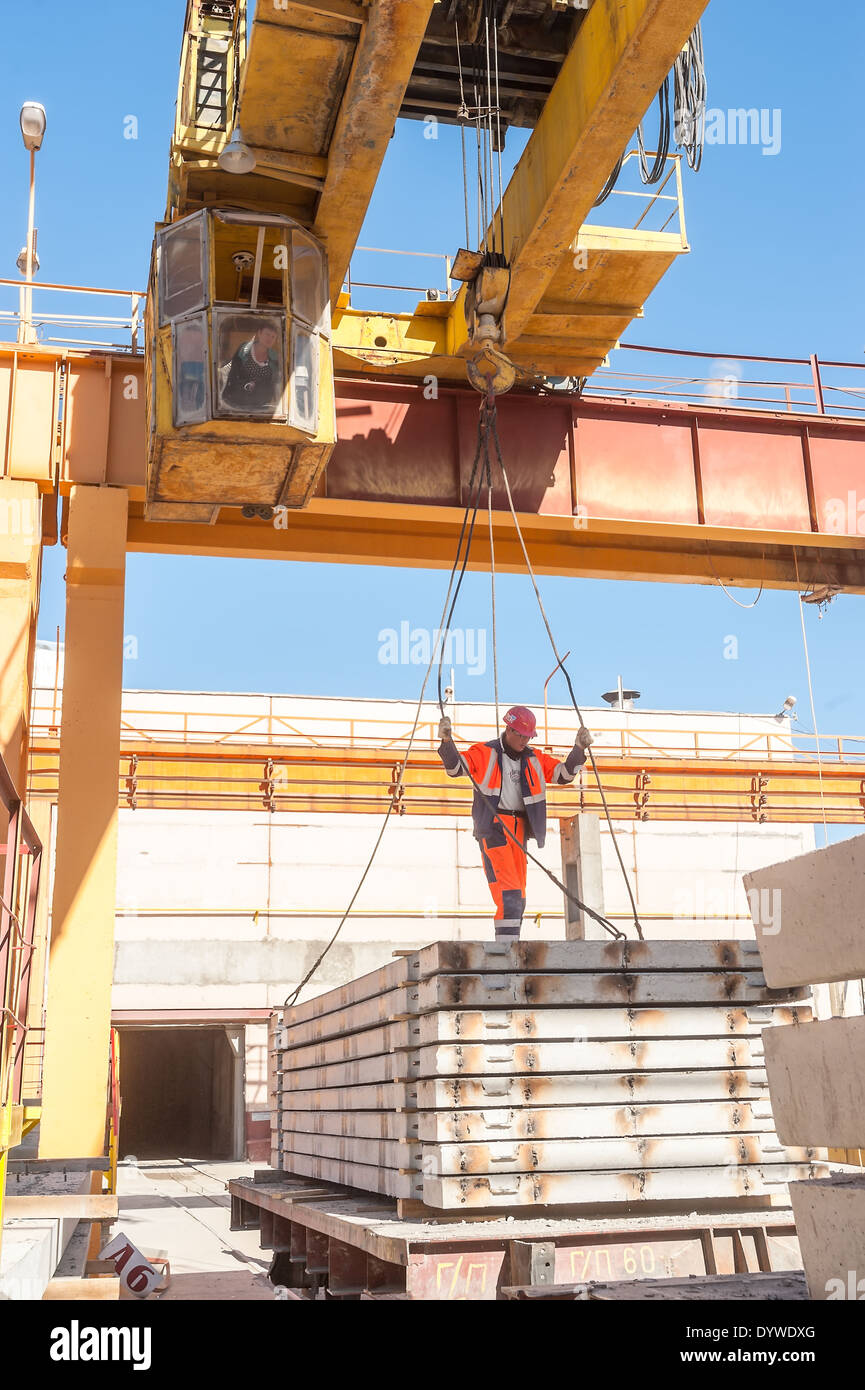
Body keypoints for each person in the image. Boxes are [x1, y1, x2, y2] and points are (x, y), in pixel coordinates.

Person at [437, 705, 593, 940]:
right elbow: (455, 768)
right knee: (509, 893)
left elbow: (564, 775)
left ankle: (511, 946)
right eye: (520, 735)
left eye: (528, 736)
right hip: (494, 828)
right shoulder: (484, 752)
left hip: (520, 831)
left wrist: (579, 749)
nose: (524, 740)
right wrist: (447, 742)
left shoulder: (534, 758)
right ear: (508, 729)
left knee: (519, 897)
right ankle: (507, 953)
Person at [222, 321, 281, 412]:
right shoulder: (244, 350)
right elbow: (233, 375)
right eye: (267, 334)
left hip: (261, 407)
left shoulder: (274, 358)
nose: (270, 338)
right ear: (259, 333)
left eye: (273, 336)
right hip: (236, 403)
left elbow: (273, 383)